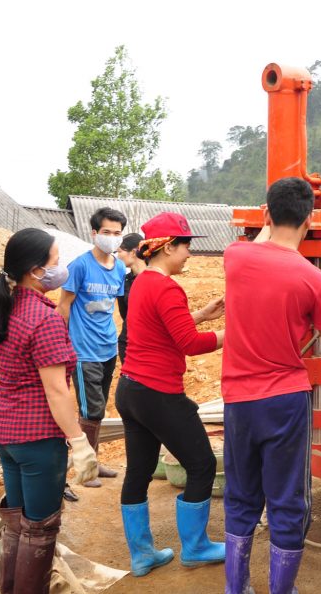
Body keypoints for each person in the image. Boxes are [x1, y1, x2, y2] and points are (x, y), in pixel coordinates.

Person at [221, 177, 321, 594]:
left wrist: (271, 212)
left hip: (237, 401)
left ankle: (236, 589)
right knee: (288, 501)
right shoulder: (315, 281)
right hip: (285, 402)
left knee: (240, 497)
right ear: (310, 221)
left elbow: (263, 237)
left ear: (267, 214)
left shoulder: (234, 257)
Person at [0, 228, 98, 594]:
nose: (60, 268)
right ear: (35, 270)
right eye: (54, 262)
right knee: (41, 528)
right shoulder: (44, 317)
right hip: (37, 438)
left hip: (8, 434)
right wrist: (79, 442)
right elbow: (56, 389)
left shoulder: (12, 305)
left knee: (18, 523)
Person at [116, 212, 227, 576]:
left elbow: (158, 329)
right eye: (186, 247)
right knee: (202, 465)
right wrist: (237, 333)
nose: (189, 254)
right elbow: (190, 345)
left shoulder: (143, 282)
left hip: (131, 389)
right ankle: (195, 547)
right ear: (167, 247)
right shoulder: (166, 287)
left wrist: (200, 314)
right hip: (158, 392)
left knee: (139, 471)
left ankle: (142, 555)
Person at [58, 207, 127, 487]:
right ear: (95, 233)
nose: (112, 238)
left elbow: (113, 307)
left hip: (108, 348)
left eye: (117, 233)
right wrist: (63, 344)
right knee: (91, 411)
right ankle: (86, 469)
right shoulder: (79, 266)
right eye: (107, 232)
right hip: (83, 351)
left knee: (98, 409)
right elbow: (64, 306)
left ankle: (94, 463)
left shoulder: (120, 267)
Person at [116, 232, 145, 365]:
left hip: (146, 344)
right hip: (127, 342)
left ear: (133, 252)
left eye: (120, 252)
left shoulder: (153, 279)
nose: (117, 256)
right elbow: (125, 314)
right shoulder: (125, 280)